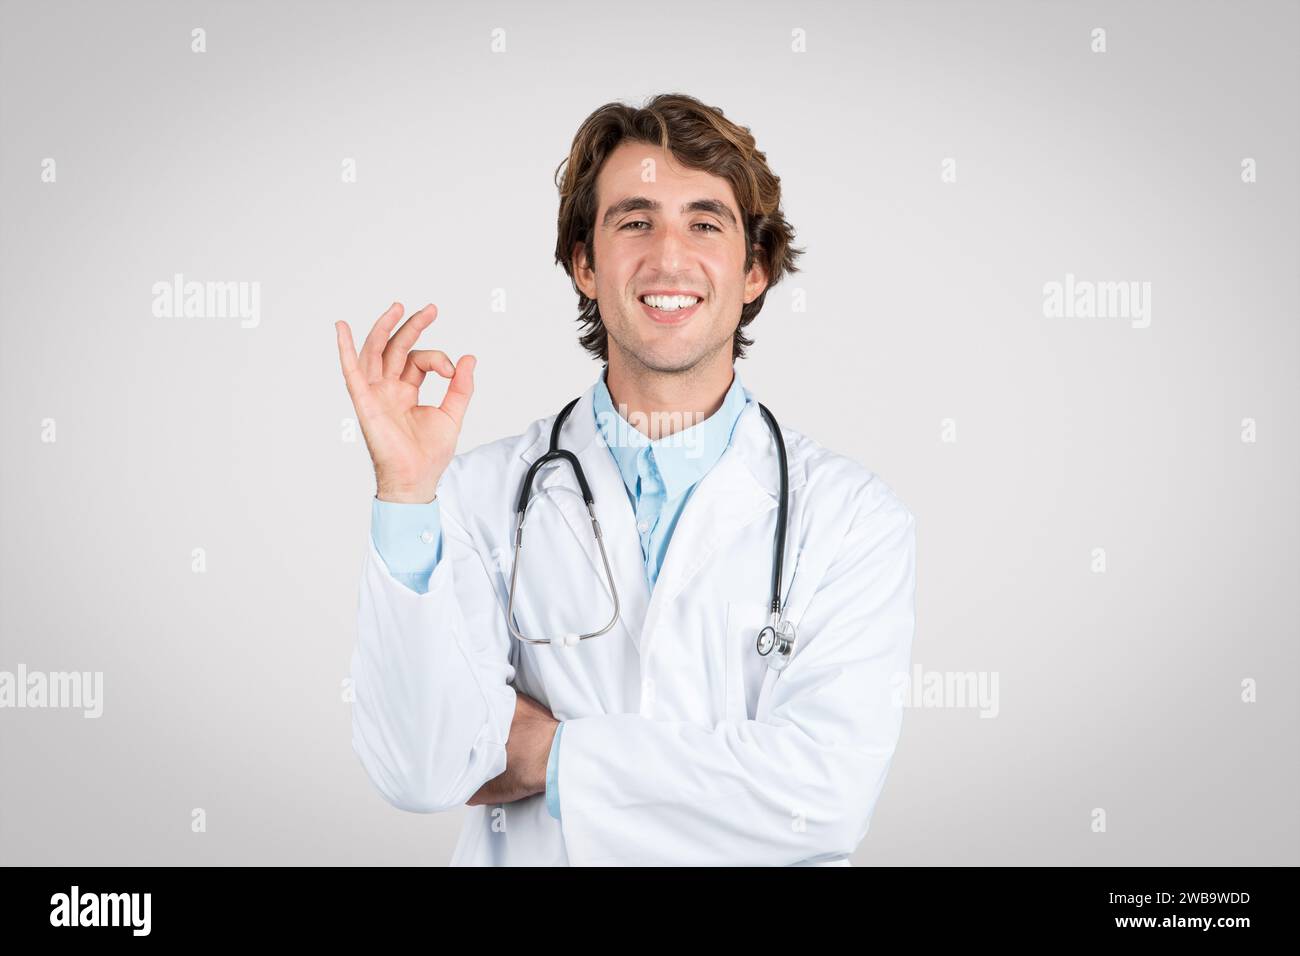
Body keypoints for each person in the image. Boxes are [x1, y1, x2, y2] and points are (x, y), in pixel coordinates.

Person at [334, 93, 917, 866]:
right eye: (634, 221)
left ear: (755, 270)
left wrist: (551, 755)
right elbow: (420, 769)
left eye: (705, 223)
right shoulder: (474, 499)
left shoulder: (851, 519)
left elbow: (824, 802)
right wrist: (406, 493)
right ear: (585, 263)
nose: (669, 258)